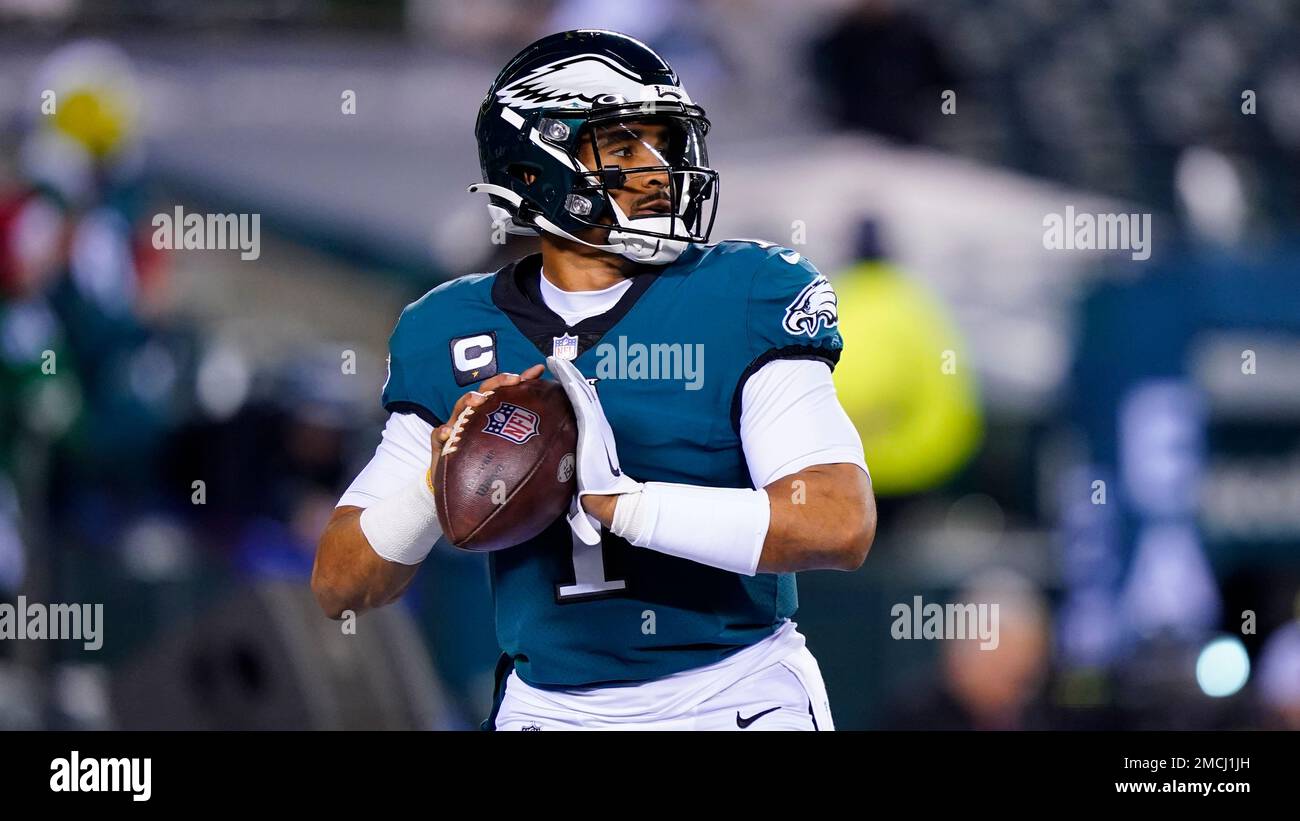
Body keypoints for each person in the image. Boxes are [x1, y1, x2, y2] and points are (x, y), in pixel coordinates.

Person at [312, 29, 876, 731]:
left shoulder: (743, 293)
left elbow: (837, 522)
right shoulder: (451, 329)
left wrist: (626, 505)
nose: (655, 171)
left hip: (732, 694)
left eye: (663, 144)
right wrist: (439, 483)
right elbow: (341, 583)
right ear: (529, 170)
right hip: (548, 709)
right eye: (619, 147)